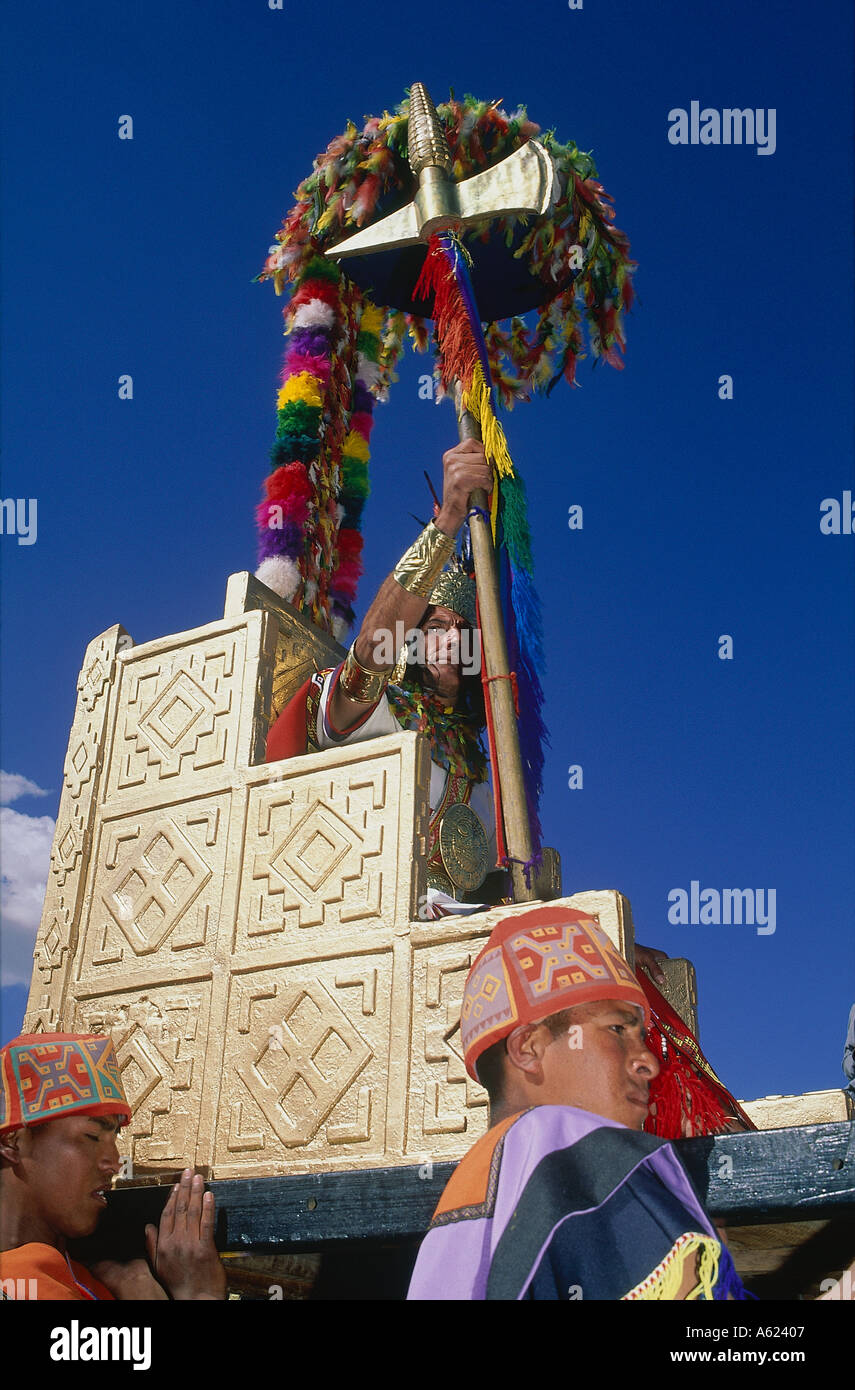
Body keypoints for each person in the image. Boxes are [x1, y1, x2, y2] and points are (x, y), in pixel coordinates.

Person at [406, 906, 854, 1300]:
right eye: (617, 1031)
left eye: (642, 1035)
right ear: (528, 1049)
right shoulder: (578, 1151)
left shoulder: (467, 1193)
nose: (648, 1062)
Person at [267, 438, 499, 917]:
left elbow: (505, 885)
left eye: (463, 630)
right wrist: (450, 519)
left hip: (457, 926)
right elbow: (372, 651)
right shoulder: (378, 708)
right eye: (435, 627)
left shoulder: (486, 769)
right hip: (362, 917)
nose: (453, 640)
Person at [0, 1033, 226, 1301]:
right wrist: (199, 1293)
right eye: (92, 1136)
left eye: (114, 1137)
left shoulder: (96, 1282)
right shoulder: (15, 1283)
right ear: (13, 1143)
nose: (116, 1162)